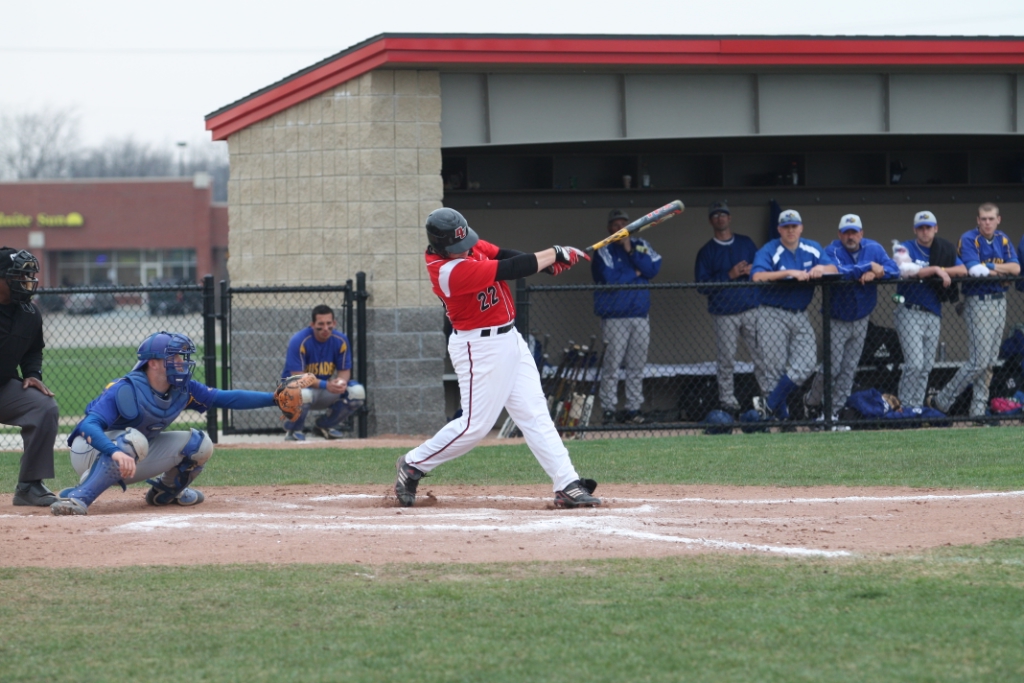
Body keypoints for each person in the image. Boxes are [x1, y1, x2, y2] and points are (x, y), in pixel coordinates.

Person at [394, 207, 601, 509]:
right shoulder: (447, 272)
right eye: (456, 247)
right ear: (441, 246)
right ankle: (413, 464)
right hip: (479, 348)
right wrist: (555, 252)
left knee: (535, 414)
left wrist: (548, 264)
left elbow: (504, 255)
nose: (465, 250)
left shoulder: (465, 244)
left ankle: (567, 483)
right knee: (475, 425)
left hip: (509, 339)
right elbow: (509, 269)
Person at [50, 331, 279, 516]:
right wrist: (114, 452)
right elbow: (88, 426)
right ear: (153, 363)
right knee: (134, 440)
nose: (181, 363)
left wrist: (274, 399)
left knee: (200, 444)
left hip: (133, 451)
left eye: (182, 357)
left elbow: (224, 397)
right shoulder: (125, 389)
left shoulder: (182, 388)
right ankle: (79, 497)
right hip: (91, 451)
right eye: (175, 357)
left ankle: (166, 492)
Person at [804, 214, 898, 427]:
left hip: (862, 318)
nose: (850, 236)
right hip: (836, 319)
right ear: (839, 234)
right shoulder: (831, 250)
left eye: (854, 232)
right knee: (831, 368)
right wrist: (867, 267)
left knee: (848, 369)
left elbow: (894, 269)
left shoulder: (873, 248)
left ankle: (833, 413)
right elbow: (838, 272)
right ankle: (812, 402)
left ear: (861, 234)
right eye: (846, 232)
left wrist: (877, 274)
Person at [930, 203, 1019, 417]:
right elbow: (973, 268)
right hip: (977, 302)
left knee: (989, 362)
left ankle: (978, 410)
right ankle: (942, 401)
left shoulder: (1003, 239)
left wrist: (989, 267)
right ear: (977, 220)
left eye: (991, 218)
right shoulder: (969, 238)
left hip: (1000, 301)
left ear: (998, 220)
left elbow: (1015, 268)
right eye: (983, 219)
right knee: (978, 361)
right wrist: (998, 271)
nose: (987, 222)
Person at [750, 209, 838, 420]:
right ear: (779, 229)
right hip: (771, 313)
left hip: (800, 313)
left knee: (807, 362)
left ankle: (768, 406)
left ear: (801, 228)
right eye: (786, 227)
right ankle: (783, 420)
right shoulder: (770, 249)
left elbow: (833, 269)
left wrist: (821, 270)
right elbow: (757, 276)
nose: (790, 230)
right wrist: (788, 273)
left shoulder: (812, 247)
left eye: (794, 226)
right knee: (773, 370)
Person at [0, 248, 60, 507]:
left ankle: (29, 486)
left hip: (3, 387)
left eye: (28, 275)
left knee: (43, 406)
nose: (25, 281)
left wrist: (32, 374)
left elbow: (34, 349)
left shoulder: (29, 313)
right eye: (18, 276)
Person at [694, 200, 765, 415]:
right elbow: (701, 286)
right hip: (724, 313)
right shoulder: (706, 251)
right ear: (710, 220)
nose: (720, 218)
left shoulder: (745, 242)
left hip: (751, 308)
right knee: (726, 361)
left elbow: (762, 268)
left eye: (723, 214)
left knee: (763, 356)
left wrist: (752, 270)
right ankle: (728, 403)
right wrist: (729, 275)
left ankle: (770, 398)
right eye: (715, 215)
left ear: (730, 217)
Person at [591, 208, 662, 424]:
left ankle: (633, 409)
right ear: (609, 229)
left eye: (624, 223)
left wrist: (631, 251)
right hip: (615, 317)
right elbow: (611, 280)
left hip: (640, 315)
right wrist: (636, 273)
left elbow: (653, 269)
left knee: (636, 366)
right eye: (616, 224)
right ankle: (609, 410)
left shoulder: (641, 244)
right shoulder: (603, 249)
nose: (621, 227)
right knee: (612, 365)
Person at [893, 211, 967, 408]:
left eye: (928, 227)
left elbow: (963, 270)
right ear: (915, 230)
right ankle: (905, 407)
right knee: (915, 364)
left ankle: (916, 407)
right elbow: (906, 270)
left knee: (926, 366)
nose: (925, 232)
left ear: (936, 228)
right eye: (921, 228)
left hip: (933, 312)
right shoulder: (904, 247)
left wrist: (941, 270)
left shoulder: (944, 248)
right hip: (909, 310)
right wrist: (935, 270)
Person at [281, 305, 365, 440]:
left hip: (322, 388)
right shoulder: (299, 340)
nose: (325, 328)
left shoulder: (340, 340)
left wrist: (340, 383)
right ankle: (293, 430)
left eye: (329, 323)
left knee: (357, 392)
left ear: (334, 323)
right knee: (304, 394)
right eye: (321, 324)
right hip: (294, 391)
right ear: (312, 324)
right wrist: (326, 385)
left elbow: (344, 371)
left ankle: (324, 425)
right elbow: (298, 376)